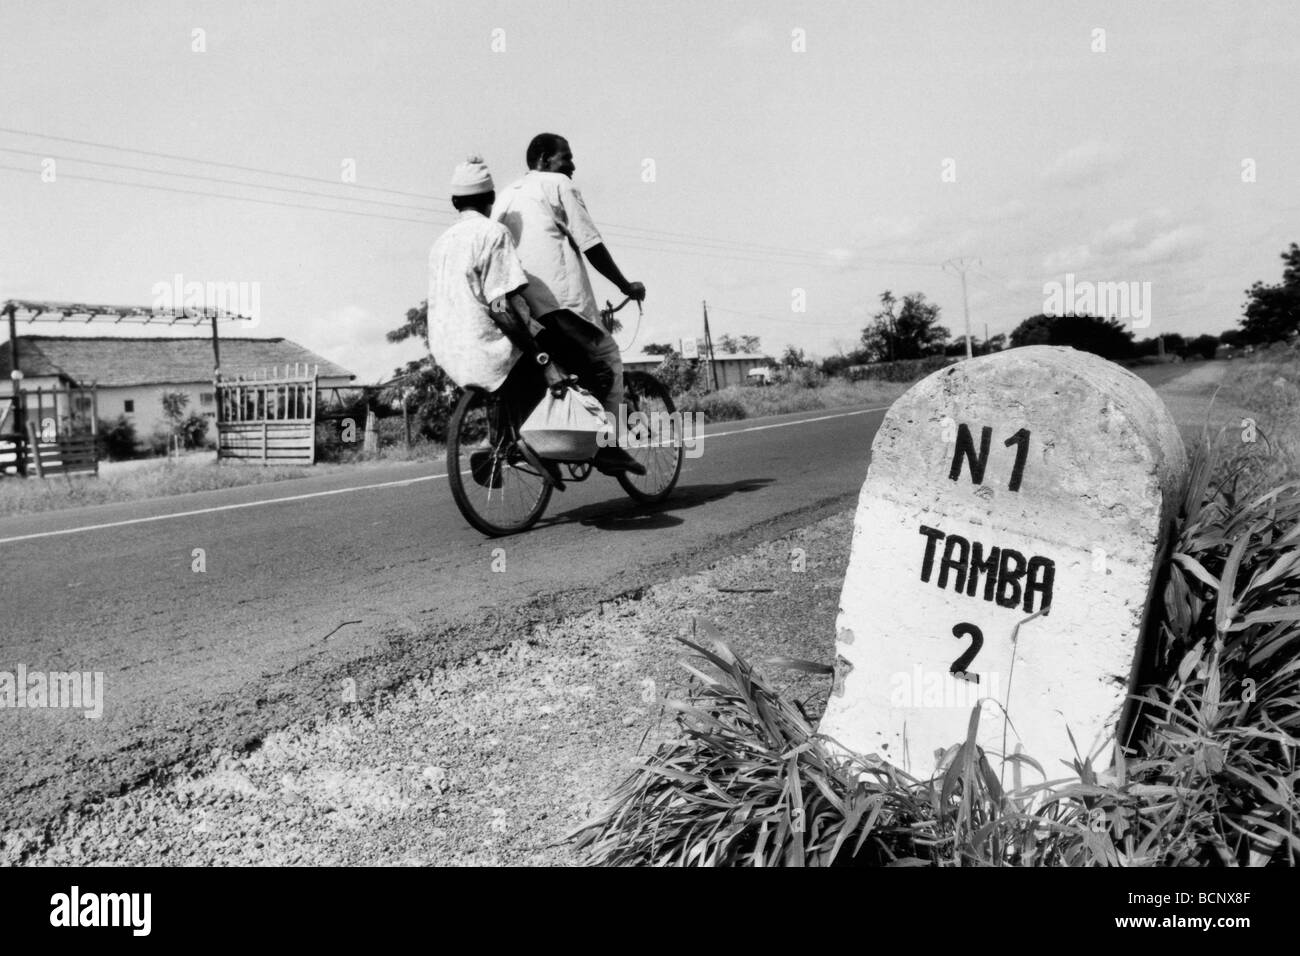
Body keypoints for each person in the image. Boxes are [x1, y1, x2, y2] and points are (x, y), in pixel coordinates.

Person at [493, 132, 646, 475]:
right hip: (559, 303)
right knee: (607, 359)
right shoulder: (559, 184)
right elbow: (591, 244)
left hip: (519, 308)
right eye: (567, 157)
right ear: (545, 158)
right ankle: (606, 447)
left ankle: (545, 439)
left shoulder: (504, 198)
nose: (572, 165)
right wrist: (626, 285)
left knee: (551, 372)